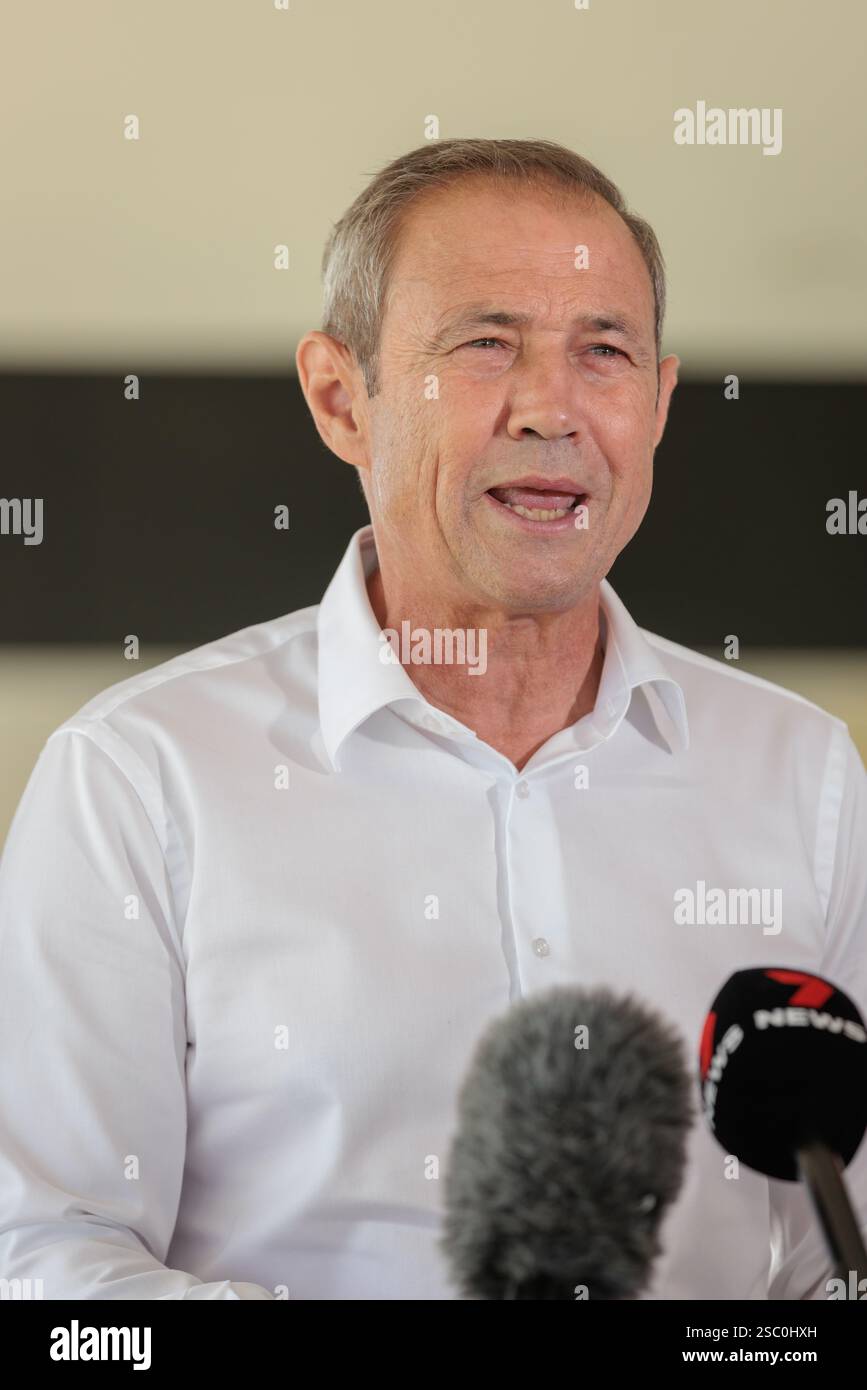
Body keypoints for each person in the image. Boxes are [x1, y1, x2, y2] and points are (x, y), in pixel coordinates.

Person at [1, 138, 864, 1300]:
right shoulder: (139, 779)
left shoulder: (801, 771)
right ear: (339, 397)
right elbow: (45, 1266)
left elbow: (832, 1261)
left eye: (602, 351)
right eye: (485, 344)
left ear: (658, 404)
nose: (551, 408)